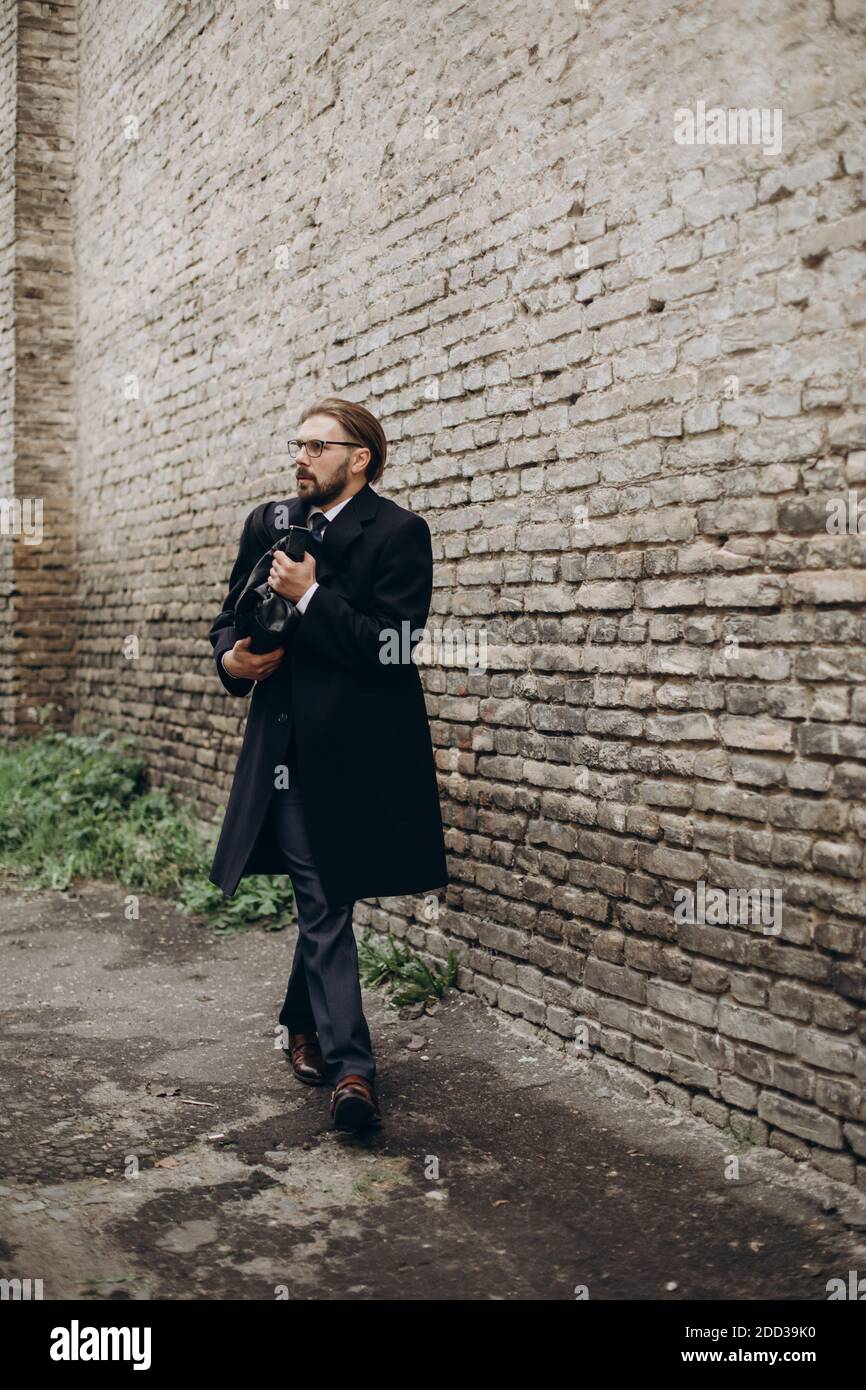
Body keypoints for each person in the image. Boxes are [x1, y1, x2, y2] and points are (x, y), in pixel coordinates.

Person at [208, 397, 448, 1130]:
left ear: (360, 458)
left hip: (358, 750)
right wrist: (232, 657)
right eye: (299, 444)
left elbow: (393, 645)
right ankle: (354, 1072)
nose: (301, 457)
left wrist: (309, 596)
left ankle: (300, 1024)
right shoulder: (269, 524)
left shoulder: (400, 533)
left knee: (326, 895)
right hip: (282, 746)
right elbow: (225, 614)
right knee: (322, 894)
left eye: (318, 445)